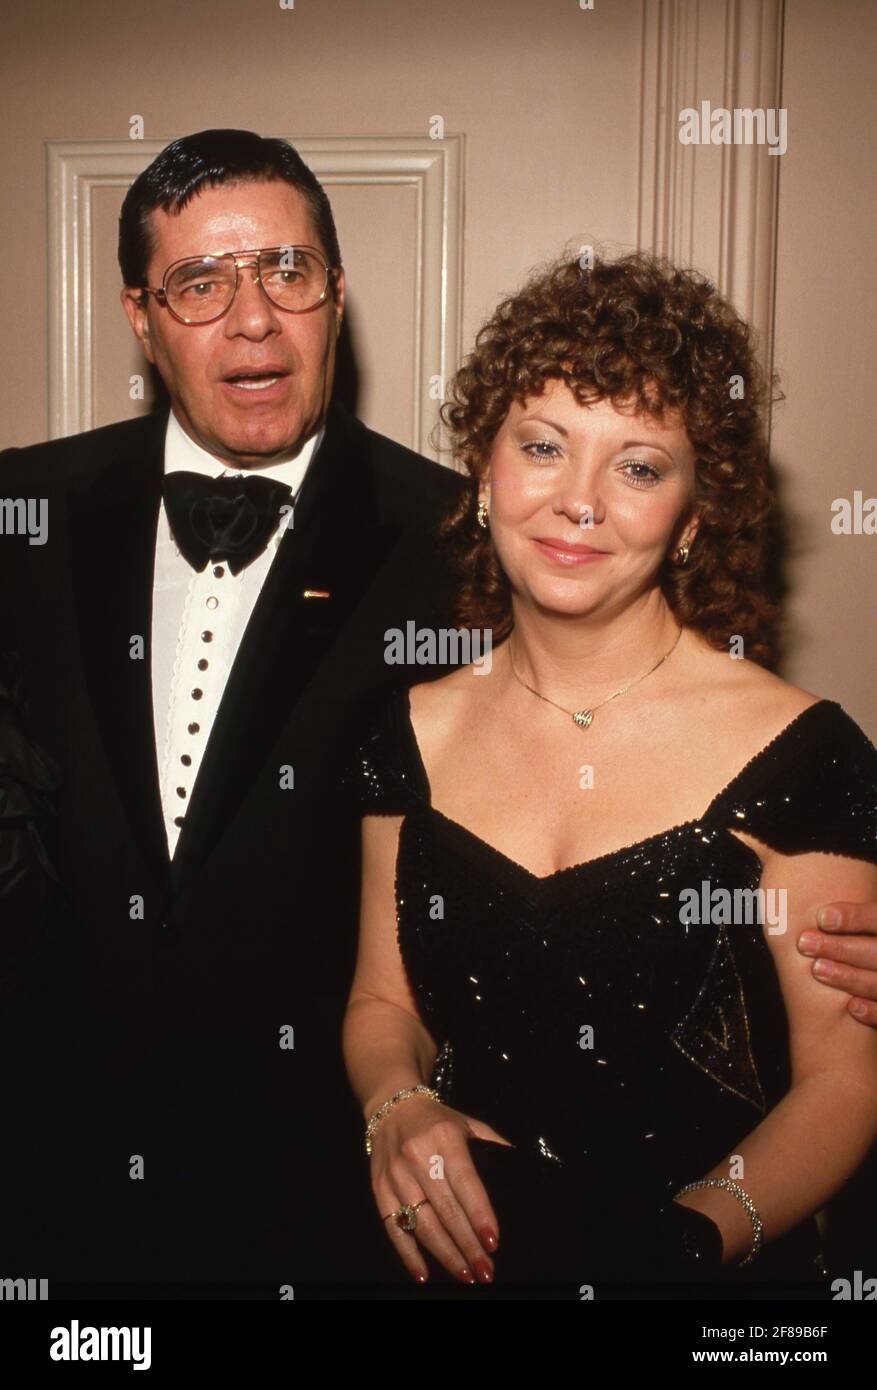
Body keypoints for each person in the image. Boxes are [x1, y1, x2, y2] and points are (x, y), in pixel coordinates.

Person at [343, 250, 877, 1296]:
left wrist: (680, 1247)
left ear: (690, 515)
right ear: (485, 470)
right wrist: (394, 1102)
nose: (577, 501)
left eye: (637, 466)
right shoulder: (402, 736)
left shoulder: (804, 759)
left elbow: (840, 1086)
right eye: (542, 446)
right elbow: (378, 997)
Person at [0, 128, 465, 1291]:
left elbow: (591, 772)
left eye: (287, 271)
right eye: (200, 284)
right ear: (141, 318)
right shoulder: (23, 512)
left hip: (328, 1195)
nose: (252, 318)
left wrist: (766, 909)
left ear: (335, 297)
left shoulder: (462, 545)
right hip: (47, 1185)